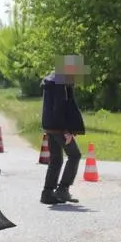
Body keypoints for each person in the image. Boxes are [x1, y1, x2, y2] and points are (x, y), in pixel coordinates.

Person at [40, 66, 85, 204]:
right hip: (58, 128)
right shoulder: (60, 84)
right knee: (74, 155)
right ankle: (63, 189)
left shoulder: (51, 81)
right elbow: (60, 107)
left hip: (49, 126)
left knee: (56, 159)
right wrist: (66, 130)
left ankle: (47, 193)